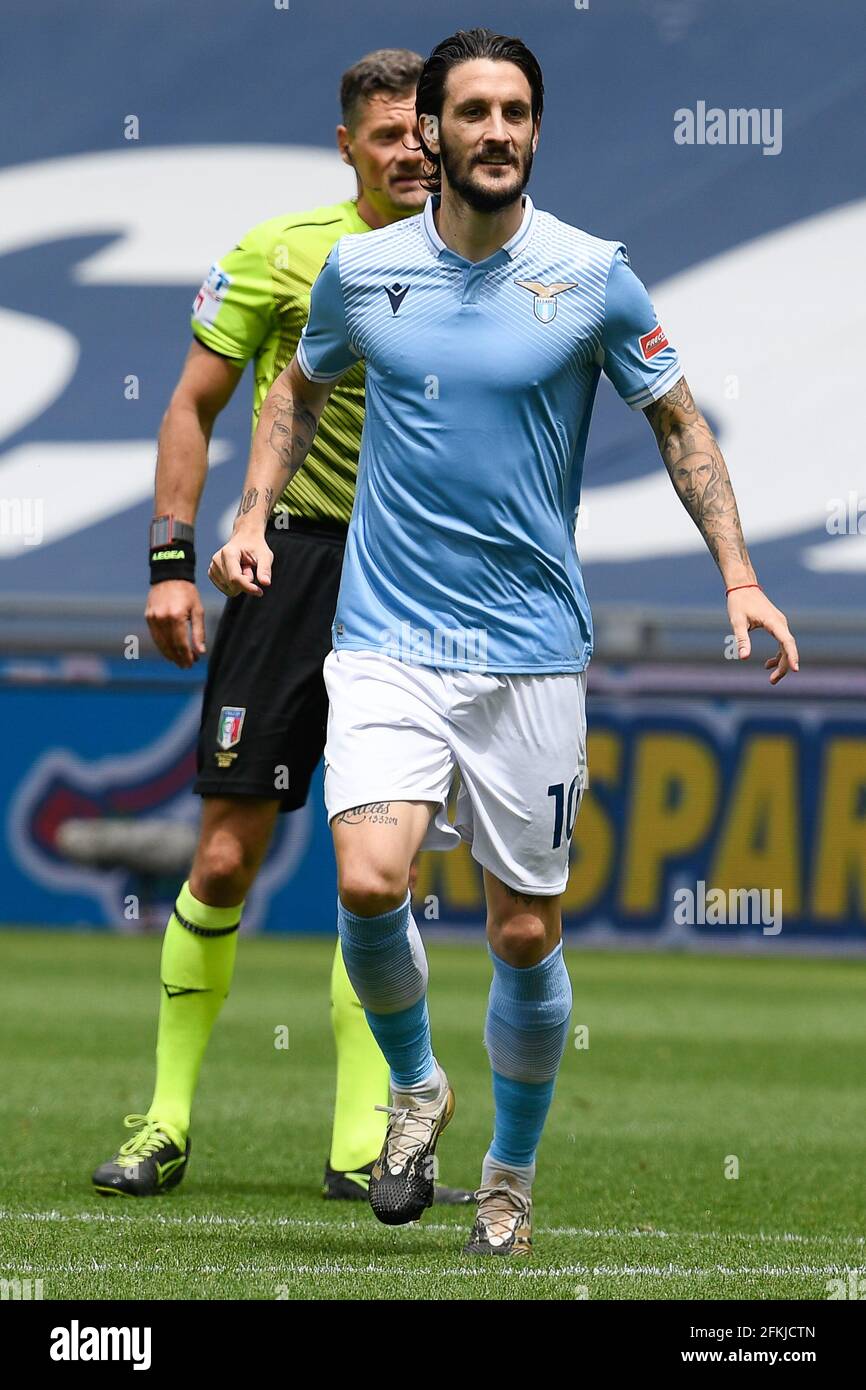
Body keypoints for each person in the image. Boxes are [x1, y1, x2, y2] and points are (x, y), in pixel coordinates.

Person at [209, 27, 799, 1256]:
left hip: (529, 650)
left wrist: (739, 578)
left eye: (514, 112)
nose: (495, 132)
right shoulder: (362, 276)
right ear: (427, 129)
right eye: (470, 112)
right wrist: (253, 507)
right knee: (368, 880)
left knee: (523, 930)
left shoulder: (592, 276)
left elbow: (680, 426)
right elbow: (296, 388)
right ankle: (415, 1082)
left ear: (535, 129)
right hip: (384, 634)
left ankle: (509, 1173)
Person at [92, 48, 469, 1207]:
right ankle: (162, 1123)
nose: (414, 150)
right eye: (389, 135)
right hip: (292, 561)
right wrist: (169, 564)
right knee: (221, 854)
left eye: (426, 133)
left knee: (385, 870)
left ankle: (363, 1143)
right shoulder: (282, 251)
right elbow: (192, 405)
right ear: (347, 146)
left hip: (418, 581)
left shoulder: (489, 258)